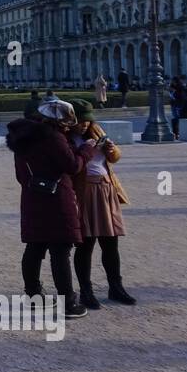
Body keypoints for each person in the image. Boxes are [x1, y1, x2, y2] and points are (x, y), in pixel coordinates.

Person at [5, 98, 94, 319]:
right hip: (56, 198)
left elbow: (20, 174)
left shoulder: (23, 138)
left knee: (35, 247)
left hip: (32, 196)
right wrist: (86, 150)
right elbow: (72, 165)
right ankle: (68, 303)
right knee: (60, 250)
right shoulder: (53, 137)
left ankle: (34, 295)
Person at [69, 99, 136, 309]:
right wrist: (85, 150)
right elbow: (70, 167)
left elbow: (115, 159)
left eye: (87, 122)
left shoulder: (96, 130)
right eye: (80, 121)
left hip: (107, 188)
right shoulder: (66, 138)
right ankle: (86, 291)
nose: (85, 125)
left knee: (111, 243)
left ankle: (116, 287)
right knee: (86, 244)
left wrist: (112, 149)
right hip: (84, 191)